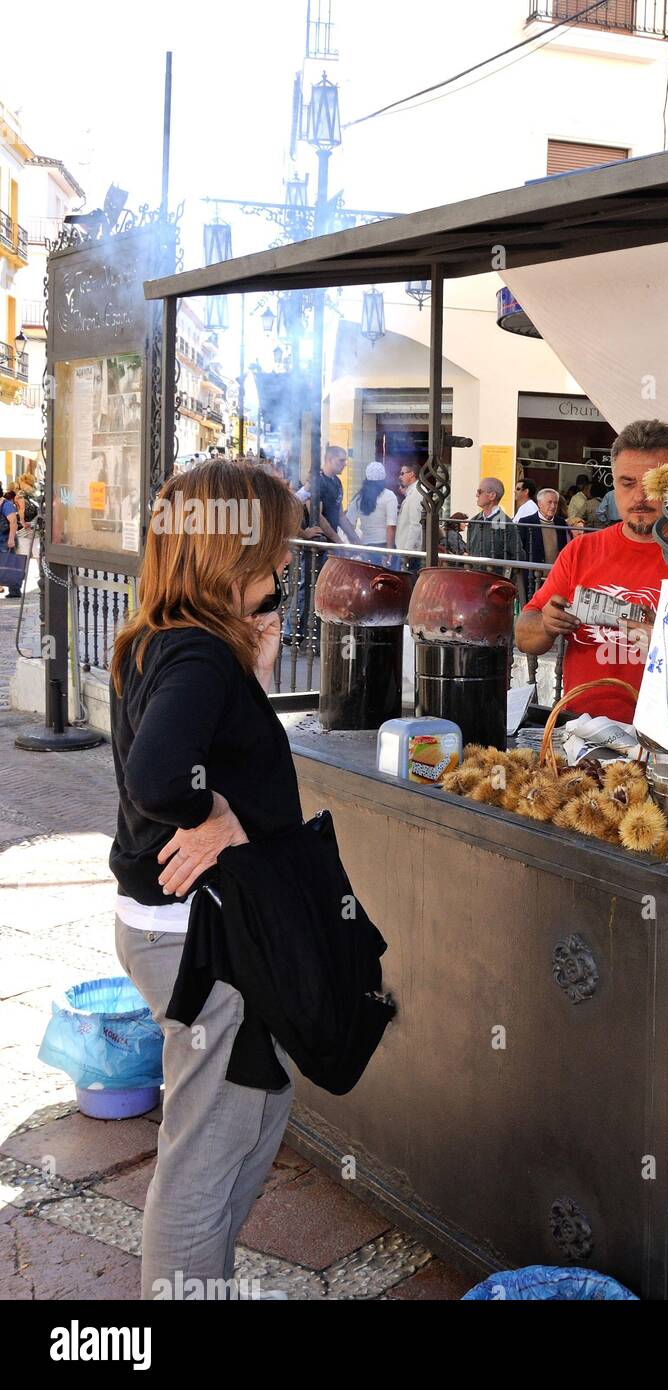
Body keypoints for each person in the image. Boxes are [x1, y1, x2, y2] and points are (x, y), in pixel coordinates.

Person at [108, 459, 304, 1298]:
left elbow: (212, 741)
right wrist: (213, 815)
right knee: (202, 1159)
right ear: (232, 554)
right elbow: (158, 775)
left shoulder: (168, 639)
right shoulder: (195, 655)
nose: (287, 568)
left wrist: (253, 647)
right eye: (275, 555)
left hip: (191, 932)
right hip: (200, 940)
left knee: (252, 1116)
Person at [516, 419, 668, 724]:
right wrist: (548, 624)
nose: (639, 498)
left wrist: (661, 640)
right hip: (584, 736)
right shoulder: (582, 551)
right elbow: (525, 635)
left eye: (652, 486)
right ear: (614, 483)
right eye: (627, 483)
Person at [467, 478, 524, 574]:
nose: (477, 495)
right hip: (475, 579)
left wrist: (505, 577)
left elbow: (518, 556)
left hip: (495, 582)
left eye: (479, 491)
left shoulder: (505, 523)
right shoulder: (474, 521)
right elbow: (470, 550)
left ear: (492, 495)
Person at [346, 462, 399, 565]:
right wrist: (389, 552)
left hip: (366, 547)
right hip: (384, 546)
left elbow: (348, 525)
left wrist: (357, 545)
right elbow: (391, 527)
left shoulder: (359, 498)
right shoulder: (389, 496)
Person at [513, 479, 544, 600]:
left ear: (526, 491)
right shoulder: (524, 508)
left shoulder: (529, 508)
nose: (515, 492)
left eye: (518, 489)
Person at [395, 462, 426, 569]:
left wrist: (407, 551)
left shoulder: (416, 494)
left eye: (402, 473)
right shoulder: (413, 493)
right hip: (407, 550)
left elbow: (415, 525)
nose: (400, 476)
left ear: (411, 474)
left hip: (410, 552)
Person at [534, 487, 570, 566]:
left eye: (555, 503)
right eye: (549, 502)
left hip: (556, 572)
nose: (553, 506)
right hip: (534, 573)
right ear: (539, 503)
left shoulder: (561, 523)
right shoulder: (526, 522)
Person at [0, 490, 21, 597]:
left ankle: (15, 591)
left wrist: (11, 539)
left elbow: (13, 522)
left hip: (5, 539)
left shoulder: (6, 505)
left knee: (10, 565)